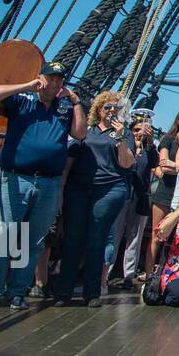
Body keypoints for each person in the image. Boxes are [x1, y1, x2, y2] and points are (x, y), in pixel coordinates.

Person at [0, 61, 87, 310]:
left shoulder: (65, 108)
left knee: (33, 241)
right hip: (16, 178)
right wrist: (27, 85)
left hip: (49, 183)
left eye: (60, 79)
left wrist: (76, 102)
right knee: (2, 236)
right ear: (41, 78)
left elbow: (80, 134)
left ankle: (18, 292)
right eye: (51, 78)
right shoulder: (22, 101)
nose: (56, 83)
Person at [54, 91, 135, 307]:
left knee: (96, 239)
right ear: (98, 110)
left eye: (116, 108)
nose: (111, 111)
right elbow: (69, 161)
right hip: (79, 188)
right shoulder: (85, 132)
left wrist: (120, 139)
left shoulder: (124, 134)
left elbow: (127, 163)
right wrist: (61, 190)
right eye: (107, 107)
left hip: (109, 189)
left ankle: (92, 293)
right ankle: (63, 292)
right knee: (73, 239)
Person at [115, 113, 160, 291]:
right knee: (115, 235)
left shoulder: (148, 151)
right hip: (122, 195)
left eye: (142, 131)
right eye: (135, 130)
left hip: (140, 197)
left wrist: (149, 144)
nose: (138, 134)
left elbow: (154, 163)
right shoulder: (125, 146)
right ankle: (108, 271)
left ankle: (128, 275)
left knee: (135, 237)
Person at [151, 107, 179, 275]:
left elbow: (171, 166)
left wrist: (176, 166)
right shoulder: (169, 139)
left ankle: (171, 270)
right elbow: (163, 166)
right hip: (166, 190)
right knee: (158, 234)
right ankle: (150, 274)